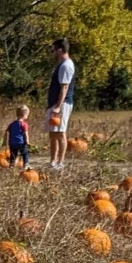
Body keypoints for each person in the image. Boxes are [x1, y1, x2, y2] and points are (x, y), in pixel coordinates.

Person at [47, 38, 75, 169]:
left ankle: (60, 162)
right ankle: (53, 161)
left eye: (53, 50)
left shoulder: (66, 66)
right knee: (53, 132)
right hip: (54, 103)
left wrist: (58, 106)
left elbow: (64, 87)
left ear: (59, 49)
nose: (53, 53)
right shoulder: (60, 65)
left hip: (62, 104)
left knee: (60, 132)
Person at [7, 102, 32, 166]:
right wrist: (27, 142)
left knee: (13, 155)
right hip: (21, 143)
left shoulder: (12, 124)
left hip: (12, 143)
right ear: (24, 115)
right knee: (25, 153)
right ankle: (26, 164)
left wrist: (5, 142)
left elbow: (7, 132)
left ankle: (12, 165)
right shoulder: (24, 124)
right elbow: (26, 134)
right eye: (27, 115)